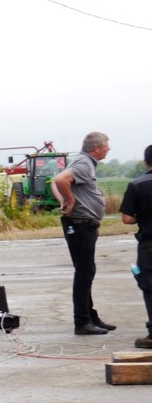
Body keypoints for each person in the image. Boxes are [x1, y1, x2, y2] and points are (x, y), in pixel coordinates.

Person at [52, 131, 114, 335]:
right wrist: (70, 201)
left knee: (86, 271)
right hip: (80, 225)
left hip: (83, 224)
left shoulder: (82, 162)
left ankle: (90, 316)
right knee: (84, 273)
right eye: (106, 145)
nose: (108, 149)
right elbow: (61, 180)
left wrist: (65, 200)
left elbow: (55, 181)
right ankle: (82, 322)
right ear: (96, 147)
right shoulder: (84, 163)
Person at [120, 144, 152, 349]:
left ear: (145, 162)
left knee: (150, 287)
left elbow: (127, 218)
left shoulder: (137, 185)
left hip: (149, 245)